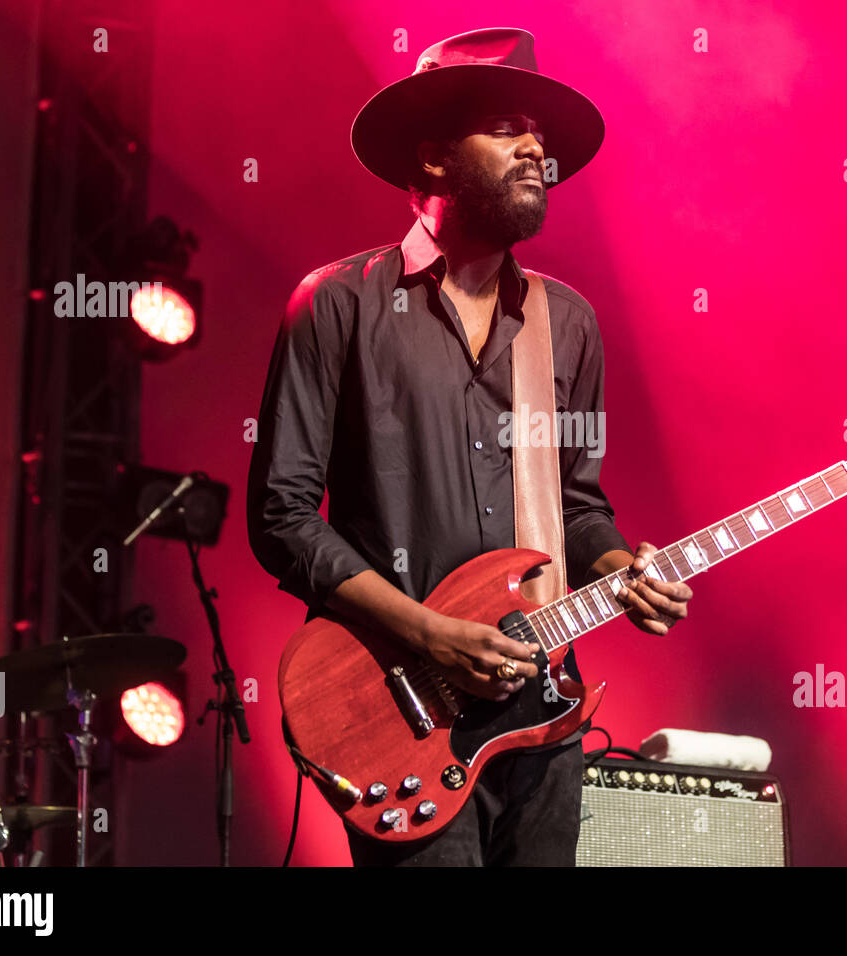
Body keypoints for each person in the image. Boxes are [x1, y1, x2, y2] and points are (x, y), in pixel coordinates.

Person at [246, 27, 692, 866]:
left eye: (540, 138)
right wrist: (428, 633)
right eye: (507, 128)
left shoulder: (568, 322)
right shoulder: (338, 304)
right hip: (403, 714)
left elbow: (577, 506)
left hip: (546, 716)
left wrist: (621, 569)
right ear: (435, 157)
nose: (536, 151)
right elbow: (283, 516)